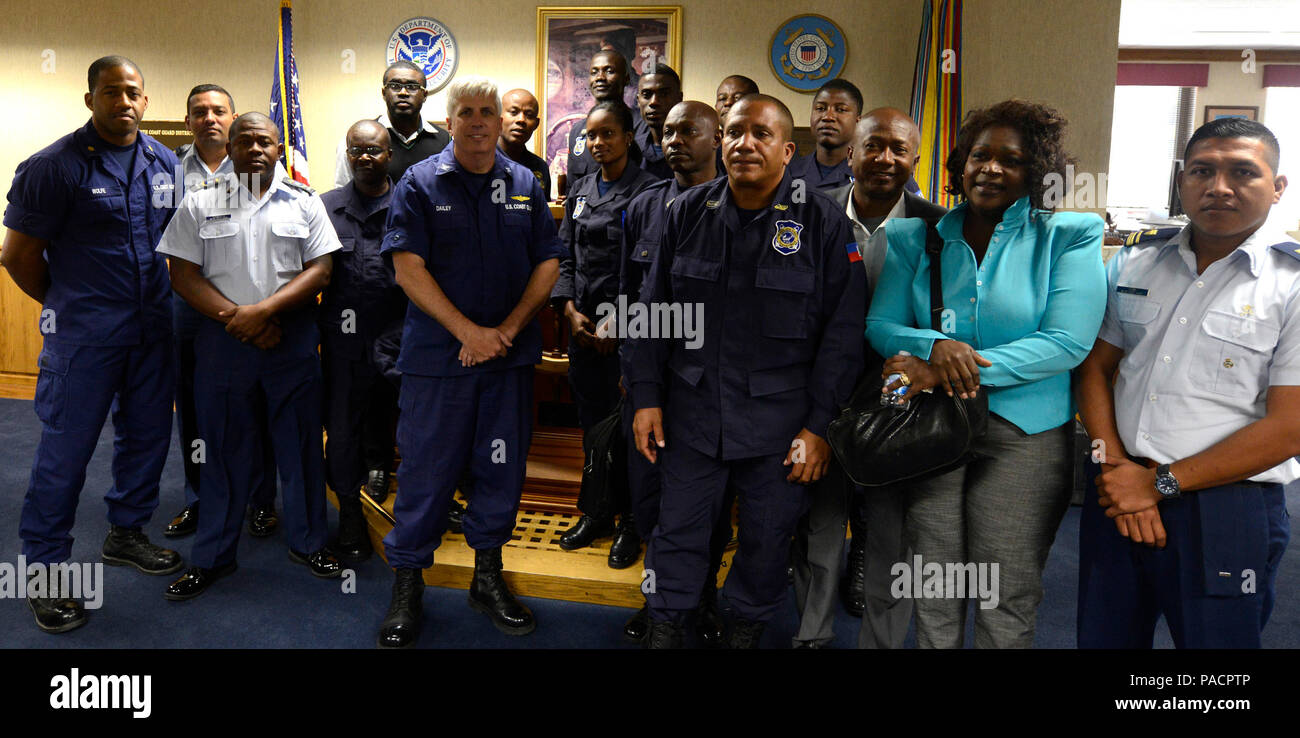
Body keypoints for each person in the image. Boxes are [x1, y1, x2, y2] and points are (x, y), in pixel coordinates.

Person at [626, 95, 866, 648]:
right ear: (720, 142)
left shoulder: (823, 222)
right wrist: (644, 397)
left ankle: (743, 631)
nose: (745, 143)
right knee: (677, 532)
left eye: (761, 134)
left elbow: (843, 335)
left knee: (765, 538)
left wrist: (819, 428)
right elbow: (649, 313)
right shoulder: (685, 213)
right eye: (735, 132)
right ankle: (666, 627)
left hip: (781, 426)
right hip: (691, 414)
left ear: (787, 150)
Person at [866, 99, 1107, 648]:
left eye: (1011, 160)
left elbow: (1065, 342)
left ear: (1036, 172)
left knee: (1006, 592)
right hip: (933, 431)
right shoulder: (914, 237)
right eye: (979, 156)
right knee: (935, 585)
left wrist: (940, 372)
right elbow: (880, 325)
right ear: (960, 164)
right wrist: (936, 345)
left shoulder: (1069, 234)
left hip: (1024, 436)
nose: (991, 169)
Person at [1075, 118, 1296, 649]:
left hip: (1225, 505)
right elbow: (1094, 369)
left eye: (1243, 172)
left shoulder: (1290, 285)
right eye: (1202, 171)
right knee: (1104, 640)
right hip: (1117, 486)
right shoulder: (1137, 259)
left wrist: (1157, 485)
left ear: (1278, 187)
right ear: (1182, 181)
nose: (1219, 186)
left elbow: (1289, 428)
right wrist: (1115, 467)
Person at [376, 76, 564, 648]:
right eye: (468, 112)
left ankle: (487, 578)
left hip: (505, 361)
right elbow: (408, 269)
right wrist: (468, 333)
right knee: (426, 475)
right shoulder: (419, 182)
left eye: (489, 111)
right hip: (439, 362)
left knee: (500, 473)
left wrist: (502, 333)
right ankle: (408, 585)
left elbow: (548, 263)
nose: (480, 121)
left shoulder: (527, 185)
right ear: (450, 121)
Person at [2, 55, 183, 634]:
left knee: (148, 439)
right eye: (111, 93)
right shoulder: (52, 168)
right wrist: (67, 303)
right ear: (91, 100)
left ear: (146, 101)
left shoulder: (163, 161)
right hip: (84, 338)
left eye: (133, 92)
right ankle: (46, 574)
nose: (123, 102)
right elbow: (18, 256)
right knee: (65, 454)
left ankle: (126, 533)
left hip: (153, 332)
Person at [157, 112, 343, 600]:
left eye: (265, 141)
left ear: (279, 147)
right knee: (220, 450)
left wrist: (261, 312)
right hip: (224, 341)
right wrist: (237, 317)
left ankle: (308, 543)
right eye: (246, 141)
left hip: (292, 339)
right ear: (232, 147)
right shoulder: (199, 203)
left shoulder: (305, 201)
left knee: (301, 446)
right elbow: (182, 274)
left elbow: (321, 269)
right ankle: (213, 556)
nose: (256, 149)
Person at [791, 108, 946, 649]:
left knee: (889, 535)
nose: (885, 158)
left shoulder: (938, 226)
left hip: (899, 402)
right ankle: (810, 636)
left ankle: (880, 643)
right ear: (849, 154)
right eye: (873, 146)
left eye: (898, 149)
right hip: (820, 398)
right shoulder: (807, 212)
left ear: (915, 160)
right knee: (818, 525)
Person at [617, 100, 731, 645]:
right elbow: (628, 297)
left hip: (709, 386)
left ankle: (702, 597)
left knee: (705, 507)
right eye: (667, 132)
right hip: (650, 382)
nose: (675, 140)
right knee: (649, 498)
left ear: (718, 139)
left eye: (689, 130)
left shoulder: (739, 204)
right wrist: (635, 377)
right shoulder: (644, 206)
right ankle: (658, 599)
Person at [164, 84, 280, 542]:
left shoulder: (259, 162)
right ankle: (201, 498)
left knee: (258, 406)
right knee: (194, 408)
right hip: (189, 307)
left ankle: (260, 501)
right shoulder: (166, 169)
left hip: (252, 309)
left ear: (232, 118)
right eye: (199, 112)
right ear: (187, 119)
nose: (209, 118)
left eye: (218, 111)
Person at [552, 101, 659, 563]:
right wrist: (571, 313)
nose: (598, 143)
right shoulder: (579, 190)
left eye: (608, 134)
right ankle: (595, 512)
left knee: (629, 433)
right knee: (591, 428)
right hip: (584, 332)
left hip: (630, 335)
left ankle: (632, 523)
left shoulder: (651, 191)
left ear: (628, 137)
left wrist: (622, 322)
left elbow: (649, 272)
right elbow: (567, 257)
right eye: (592, 137)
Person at [319, 120, 409, 564]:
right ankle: (351, 516)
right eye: (356, 150)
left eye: (374, 150)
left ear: (389, 154)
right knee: (342, 431)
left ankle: (415, 512)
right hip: (344, 343)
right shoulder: (327, 206)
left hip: (400, 339)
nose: (365, 157)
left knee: (409, 427)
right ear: (348, 153)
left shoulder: (412, 203)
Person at [333, 61, 451, 193]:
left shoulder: (445, 141)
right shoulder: (356, 141)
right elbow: (343, 197)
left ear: (424, 95)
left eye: (412, 86)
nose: (403, 92)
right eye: (395, 86)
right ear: (384, 92)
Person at [559, 49, 642, 199]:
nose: (600, 78)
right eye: (594, 72)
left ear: (627, 78)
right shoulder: (577, 131)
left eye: (609, 71)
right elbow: (572, 191)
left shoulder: (642, 126)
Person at [786, 79, 862, 191]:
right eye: (820, 108)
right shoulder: (788, 172)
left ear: (858, 122)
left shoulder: (863, 176)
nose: (828, 117)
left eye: (840, 110)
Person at [498, 88, 552, 200]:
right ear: (498, 118)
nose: (521, 120)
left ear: (536, 124)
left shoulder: (540, 167)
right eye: (514, 112)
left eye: (529, 115)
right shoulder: (479, 161)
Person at [633, 64, 683, 180]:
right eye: (646, 95)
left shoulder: (698, 147)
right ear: (638, 101)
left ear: (679, 98)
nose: (654, 102)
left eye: (664, 94)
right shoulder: (630, 149)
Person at [713, 75, 759, 172]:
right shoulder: (707, 145)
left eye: (738, 97)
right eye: (722, 98)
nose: (728, 102)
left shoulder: (773, 144)